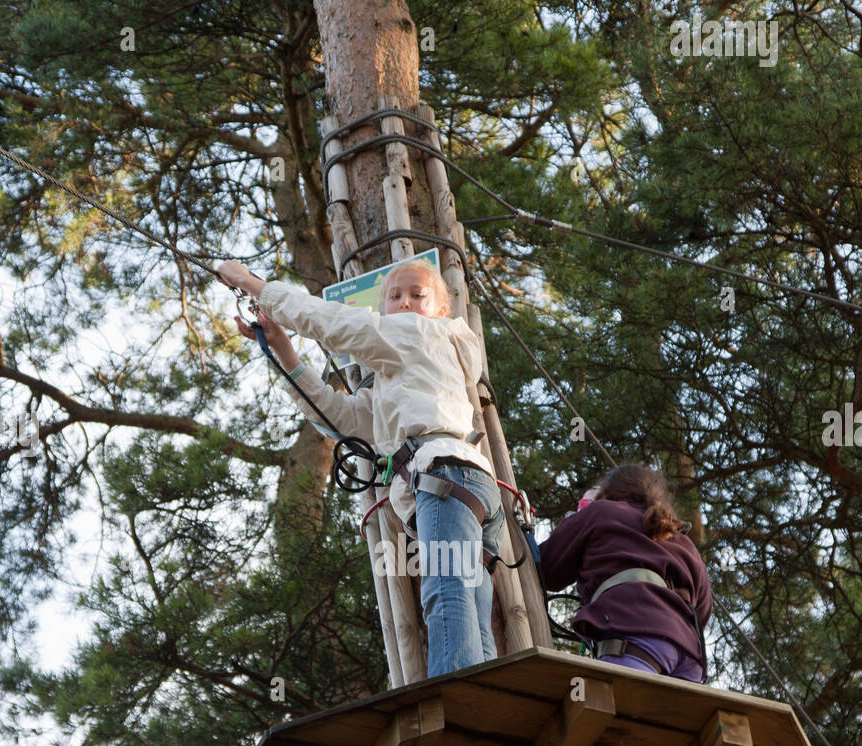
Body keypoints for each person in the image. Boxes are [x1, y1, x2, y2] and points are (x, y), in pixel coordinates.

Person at [216, 256, 505, 678]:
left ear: (442, 310)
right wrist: (283, 349)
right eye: (395, 296)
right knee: (471, 612)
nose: (404, 303)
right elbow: (340, 417)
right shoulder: (404, 378)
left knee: (447, 596)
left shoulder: (421, 334)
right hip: (460, 482)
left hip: (444, 476)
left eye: (417, 295)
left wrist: (252, 283)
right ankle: (482, 708)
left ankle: (458, 707)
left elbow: (334, 323)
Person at [538, 463, 712, 680]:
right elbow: (703, 612)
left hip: (636, 641)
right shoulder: (684, 542)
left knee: (611, 712)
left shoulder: (601, 512)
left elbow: (546, 568)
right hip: (689, 655)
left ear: (607, 492)